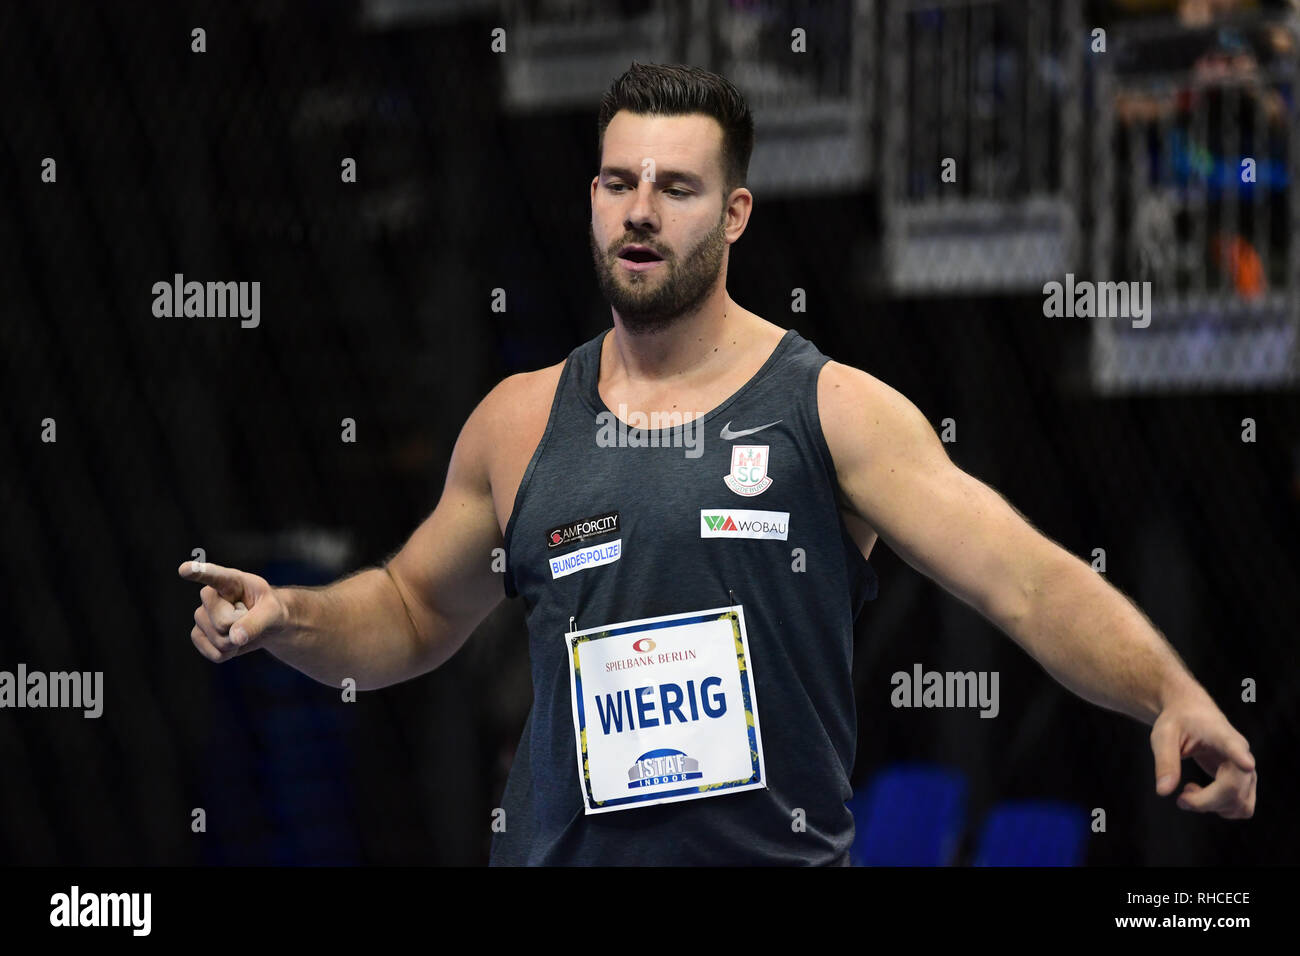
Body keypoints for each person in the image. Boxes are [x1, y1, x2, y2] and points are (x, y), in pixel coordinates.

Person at [180, 62, 1256, 865]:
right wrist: (290, 618)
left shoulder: (831, 411)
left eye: (677, 186)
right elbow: (413, 612)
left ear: (734, 213)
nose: (639, 208)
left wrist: (1165, 689)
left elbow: (1023, 580)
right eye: (616, 181)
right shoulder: (515, 421)